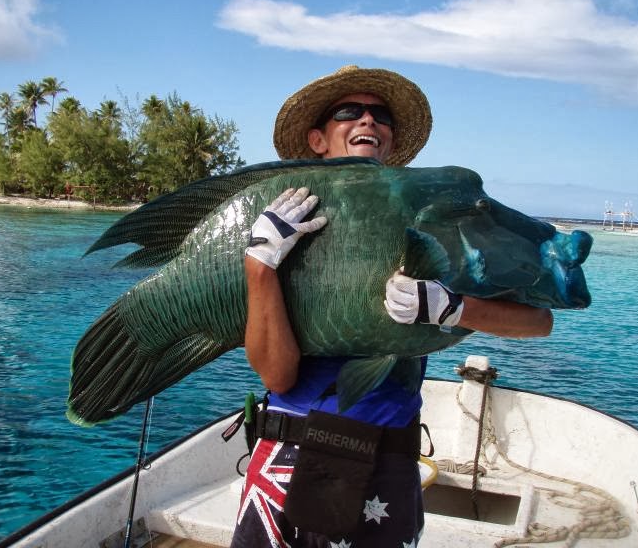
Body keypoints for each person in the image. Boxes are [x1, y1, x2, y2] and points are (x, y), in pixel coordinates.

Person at [230, 66, 552, 548]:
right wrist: (260, 266)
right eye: (349, 112)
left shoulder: (429, 223)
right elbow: (277, 377)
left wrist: (454, 309)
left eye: (381, 115)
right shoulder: (281, 223)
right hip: (285, 459)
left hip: (386, 467)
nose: (369, 121)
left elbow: (539, 321)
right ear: (318, 139)